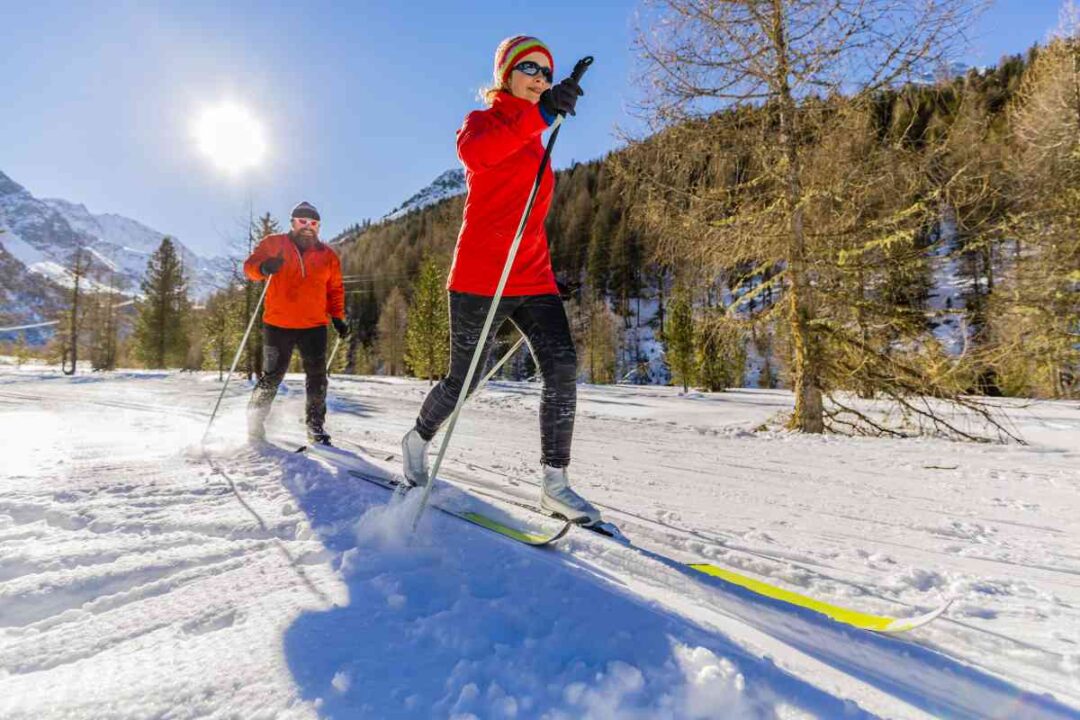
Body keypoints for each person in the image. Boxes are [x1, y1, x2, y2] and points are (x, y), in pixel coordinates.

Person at [400, 36, 600, 524]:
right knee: (463, 380)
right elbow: (480, 157)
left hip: (531, 275)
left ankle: (555, 483)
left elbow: (529, 213)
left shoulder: (537, 136)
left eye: (547, 74)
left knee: (561, 367)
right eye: (529, 67)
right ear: (505, 74)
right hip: (480, 275)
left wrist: (553, 272)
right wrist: (541, 115)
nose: (539, 78)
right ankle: (418, 438)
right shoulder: (481, 124)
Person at [243, 201, 348, 445]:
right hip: (278, 325)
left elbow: (335, 290)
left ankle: (315, 427)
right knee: (272, 376)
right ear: (293, 223)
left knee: (317, 378)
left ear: (318, 227)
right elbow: (250, 268)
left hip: (314, 327)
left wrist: (338, 317)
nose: (307, 227)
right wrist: (263, 267)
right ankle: (254, 422)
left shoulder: (328, 256)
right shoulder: (273, 244)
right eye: (302, 222)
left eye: (313, 223)